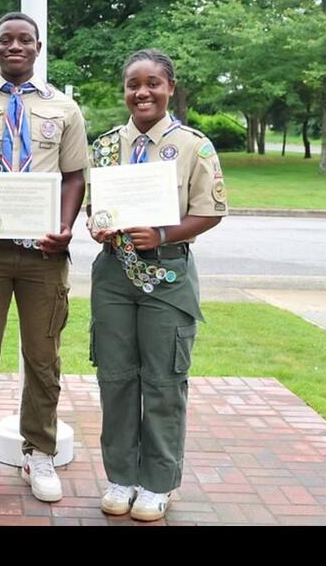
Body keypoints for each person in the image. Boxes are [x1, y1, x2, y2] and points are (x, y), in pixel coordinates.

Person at [0, 11, 89, 503]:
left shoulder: (63, 109)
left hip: (44, 256)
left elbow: (74, 176)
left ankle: (39, 452)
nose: (15, 47)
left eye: (24, 39)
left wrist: (65, 229)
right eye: (5, 40)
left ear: (38, 47)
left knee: (42, 356)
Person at [87, 48, 227, 522]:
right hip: (114, 275)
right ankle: (121, 476)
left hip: (167, 275)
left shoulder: (193, 146)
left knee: (164, 380)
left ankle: (158, 483)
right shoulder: (105, 146)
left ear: (170, 88)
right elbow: (97, 207)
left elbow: (210, 211)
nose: (142, 92)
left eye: (152, 83)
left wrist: (164, 234)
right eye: (133, 84)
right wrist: (98, 225)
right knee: (117, 378)